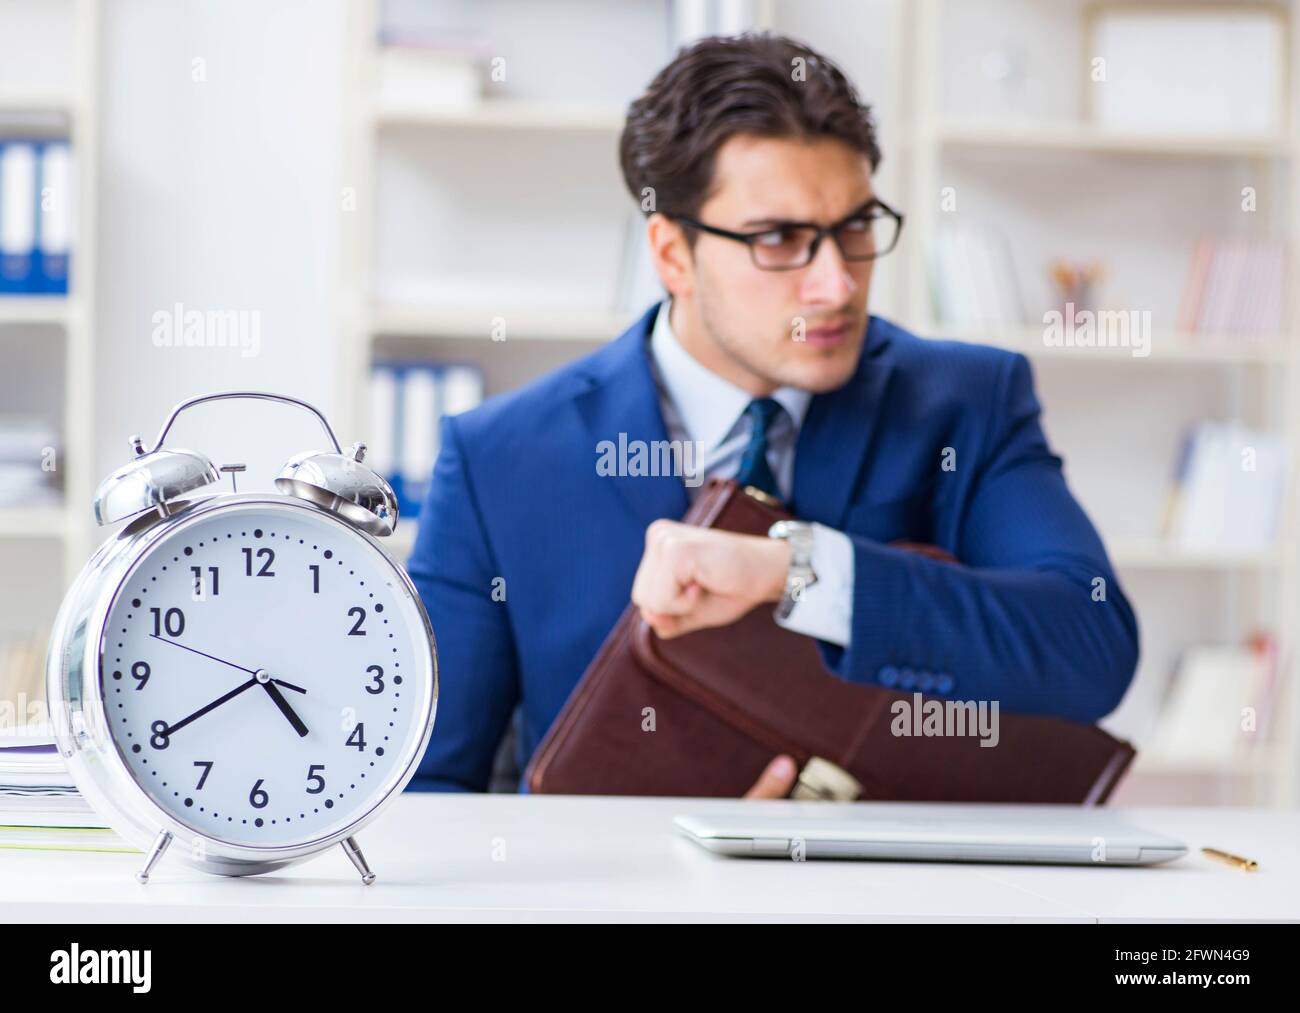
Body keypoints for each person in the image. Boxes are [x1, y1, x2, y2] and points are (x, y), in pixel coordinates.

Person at [405, 33, 1138, 795]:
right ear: (671, 254)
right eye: (781, 238)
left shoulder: (965, 402)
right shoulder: (500, 458)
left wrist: (799, 571)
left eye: (856, 227)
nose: (838, 284)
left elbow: (1090, 643)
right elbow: (431, 795)